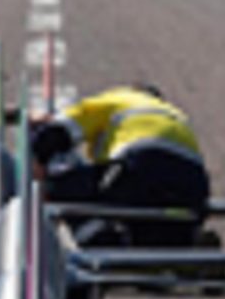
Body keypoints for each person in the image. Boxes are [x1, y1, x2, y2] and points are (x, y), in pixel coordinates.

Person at [32, 83, 211, 248]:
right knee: (154, 230)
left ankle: (100, 246)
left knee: (64, 188)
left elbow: (57, 132)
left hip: (141, 167)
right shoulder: (175, 114)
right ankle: (186, 251)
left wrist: (38, 162)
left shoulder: (116, 100)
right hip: (194, 184)